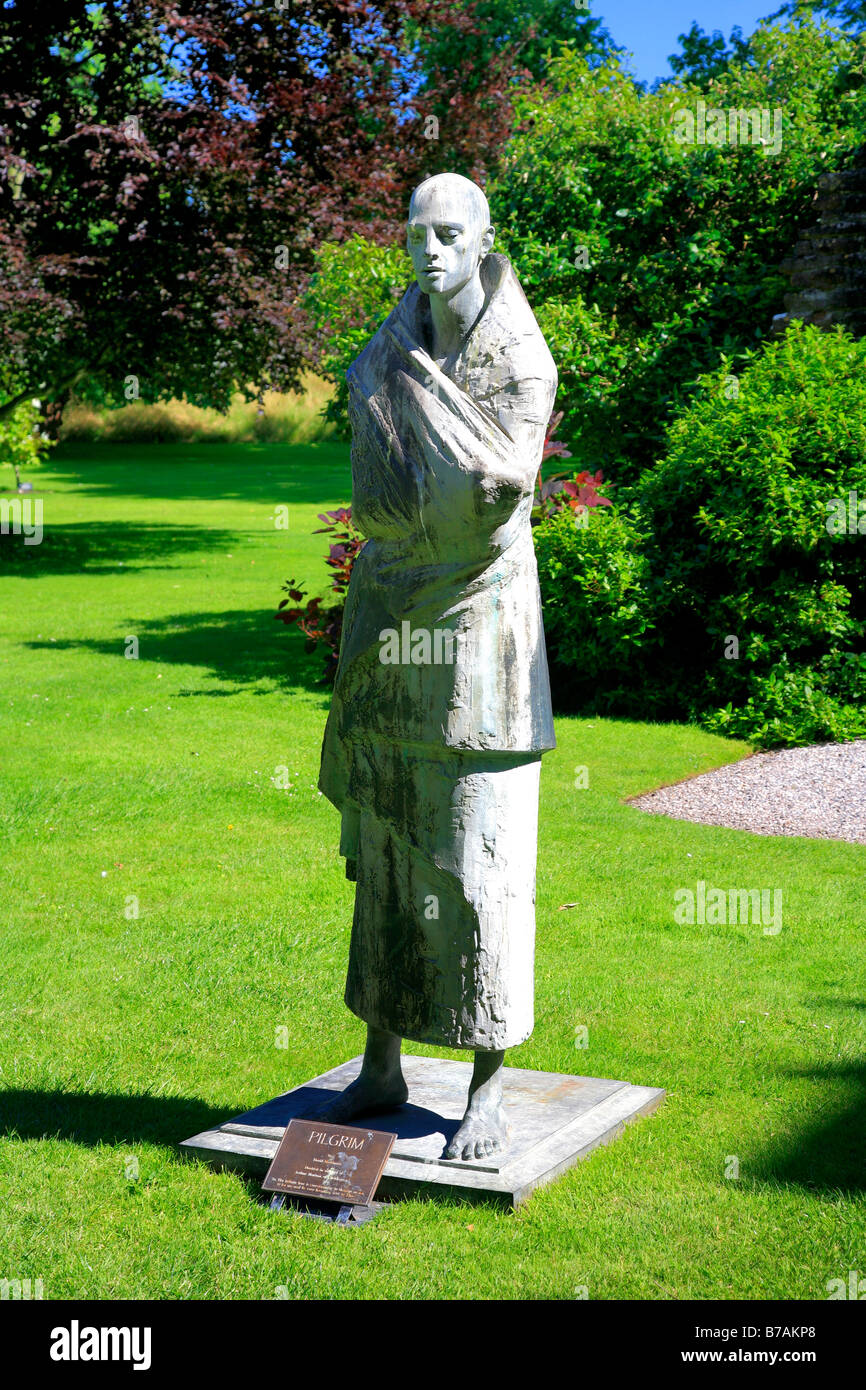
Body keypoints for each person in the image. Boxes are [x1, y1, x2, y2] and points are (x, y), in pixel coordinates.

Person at [314, 172, 557, 1161]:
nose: (430, 250)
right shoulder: (391, 343)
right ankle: (380, 1064)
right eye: (418, 233)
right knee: (385, 847)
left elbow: (494, 497)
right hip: (390, 613)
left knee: (475, 859)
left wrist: (467, 490)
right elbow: (378, 481)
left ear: (485, 237)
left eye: (450, 234)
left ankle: (486, 1085)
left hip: (479, 628)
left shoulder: (518, 358)